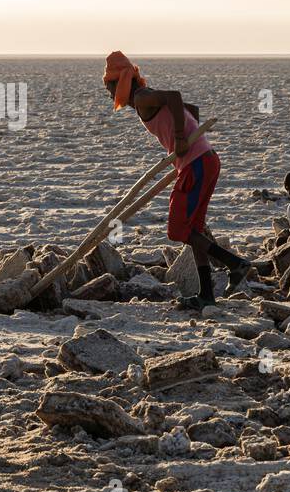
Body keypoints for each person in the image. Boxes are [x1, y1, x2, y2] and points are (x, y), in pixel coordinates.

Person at [102, 51, 251, 308]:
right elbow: (189, 109)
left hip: (197, 164)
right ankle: (207, 295)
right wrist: (184, 135)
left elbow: (175, 97)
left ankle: (235, 264)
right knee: (194, 230)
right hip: (203, 160)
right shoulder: (144, 98)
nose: (110, 95)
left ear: (121, 83)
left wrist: (181, 137)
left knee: (178, 229)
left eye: (110, 88)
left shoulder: (142, 97)